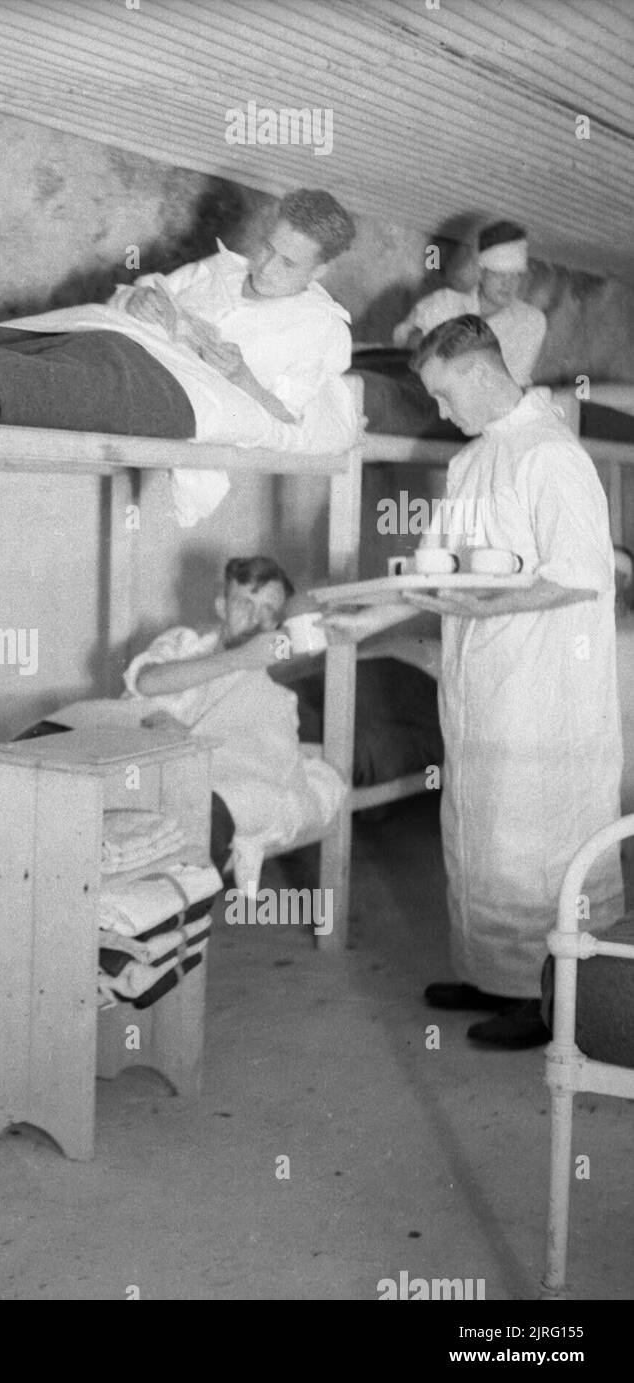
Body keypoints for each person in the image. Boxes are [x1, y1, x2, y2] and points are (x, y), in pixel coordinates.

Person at [328, 315, 622, 1048]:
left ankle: (546, 997)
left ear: (485, 376)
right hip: (481, 679)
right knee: (479, 833)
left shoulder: (553, 456)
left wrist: (481, 603)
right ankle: (490, 971)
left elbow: (580, 578)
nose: (438, 410)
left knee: (535, 839)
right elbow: (434, 574)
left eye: (443, 393)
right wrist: (358, 621)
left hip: (545, 689)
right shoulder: (467, 464)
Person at [0, 189, 357, 522]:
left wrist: (242, 377)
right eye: (266, 248)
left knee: (77, 381)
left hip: (180, 391)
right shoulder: (223, 268)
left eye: (287, 263)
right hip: (122, 339)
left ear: (318, 272)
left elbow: (288, 419)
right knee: (47, 341)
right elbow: (143, 292)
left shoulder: (322, 330)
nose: (266, 267)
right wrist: (139, 299)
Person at [123, 556, 342, 890]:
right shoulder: (183, 643)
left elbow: (256, 770)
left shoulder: (276, 699)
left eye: (269, 610)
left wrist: (188, 746)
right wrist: (239, 659)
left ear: (278, 627)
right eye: (245, 603)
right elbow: (147, 683)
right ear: (222, 607)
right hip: (125, 761)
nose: (256, 618)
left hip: (187, 785)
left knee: (208, 810)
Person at [392, 221, 546, 387]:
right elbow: (406, 346)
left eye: (516, 276)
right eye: (499, 274)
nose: (508, 284)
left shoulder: (530, 320)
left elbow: (510, 381)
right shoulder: (444, 302)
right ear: (481, 272)